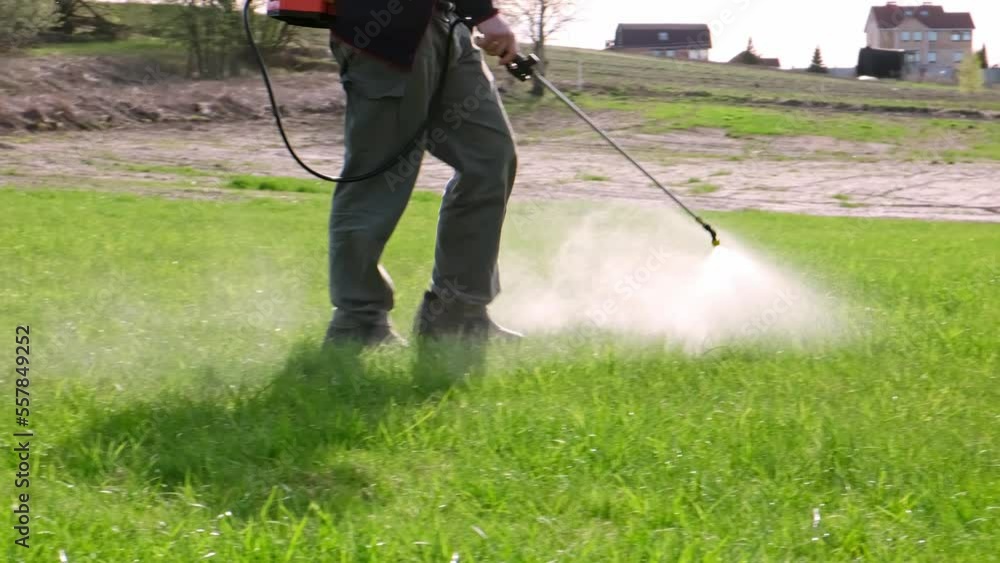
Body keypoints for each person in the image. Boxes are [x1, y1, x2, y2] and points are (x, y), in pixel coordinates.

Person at [324, 0, 522, 347]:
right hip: (387, 30)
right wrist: (485, 14)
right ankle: (358, 323)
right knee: (378, 177)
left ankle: (456, 314)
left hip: (449, 25)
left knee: (491, 158)